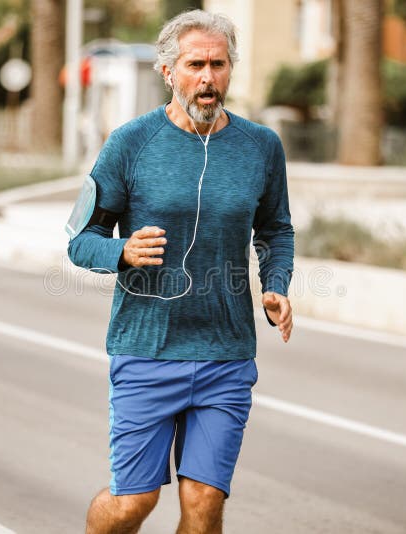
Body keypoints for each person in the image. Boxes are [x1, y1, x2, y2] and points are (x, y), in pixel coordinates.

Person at [67, 9, 294, 534]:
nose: (208, 77)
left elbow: (277, 230)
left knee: (204, 504)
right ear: (168, 72)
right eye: (195, 65)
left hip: (225, 354)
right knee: (133, 503)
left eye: (218, 64)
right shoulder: (130, 143)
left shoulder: (262, 146)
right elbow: (81, 242)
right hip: (146, 349)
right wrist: (121, 252)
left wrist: (275, 285)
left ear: (231, 70)